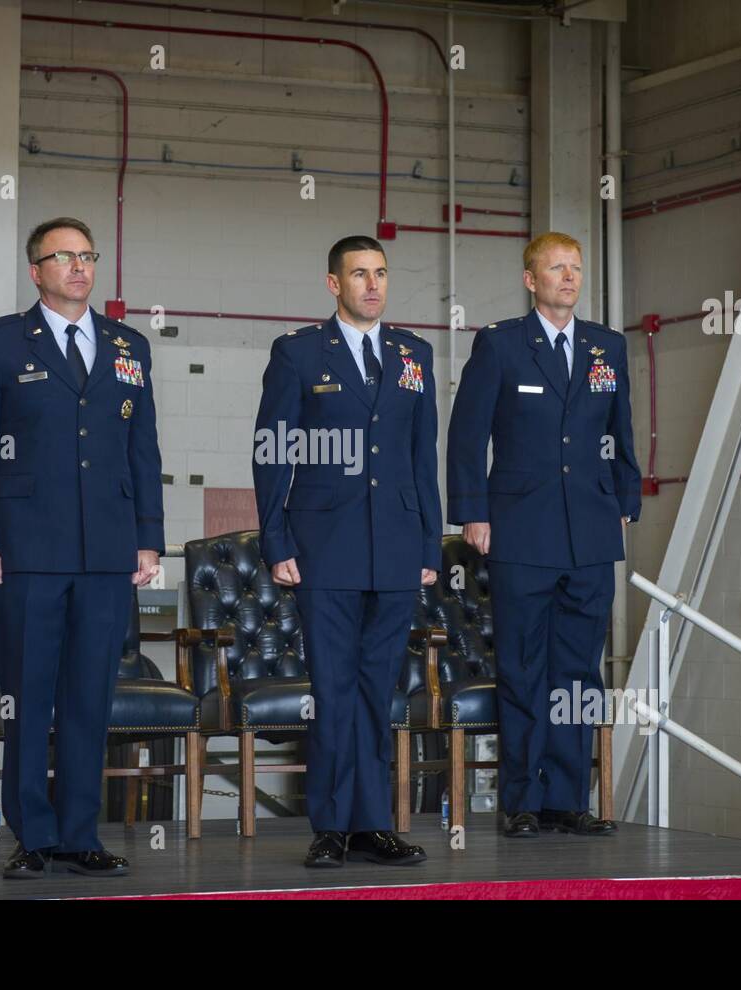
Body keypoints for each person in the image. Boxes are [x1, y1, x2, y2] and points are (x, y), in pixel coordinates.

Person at [0, 217, 163, 878]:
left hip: (106, 552)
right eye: (62, 256)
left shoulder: (129, 346)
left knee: (89, 698)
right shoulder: (0, 345)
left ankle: (79, 834)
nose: (77, 266)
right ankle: (33, 836)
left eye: (86, 255)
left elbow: (143, 449)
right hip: (24, 552)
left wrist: (149, 539)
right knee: (27, 698)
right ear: (36, 270)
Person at [253, 235, 441, 868]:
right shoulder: (300, 354)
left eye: (381, 273)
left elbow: (422, 457)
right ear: (333, 284)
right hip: (322, 548)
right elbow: (275, 450)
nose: (373, 285)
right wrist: (276, 540)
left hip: (394, 546)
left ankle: (372, 824)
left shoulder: (415, 353)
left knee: (376, 690)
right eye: (359, 274)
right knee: (333, 689)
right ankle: (330, 825)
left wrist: (428, 543)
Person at [447, 231, 641, 838]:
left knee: (580, 671)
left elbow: (621, 430)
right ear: (531, 279)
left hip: (589, 535)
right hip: (519, 534)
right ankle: (521, 800)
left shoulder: (608, 347)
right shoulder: (501, 344)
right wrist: (472, 511)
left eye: (576, 269)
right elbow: (465, 436)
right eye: (556, 268)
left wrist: (625, 499)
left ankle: (566, 799)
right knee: (525, 667)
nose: (569, 277)